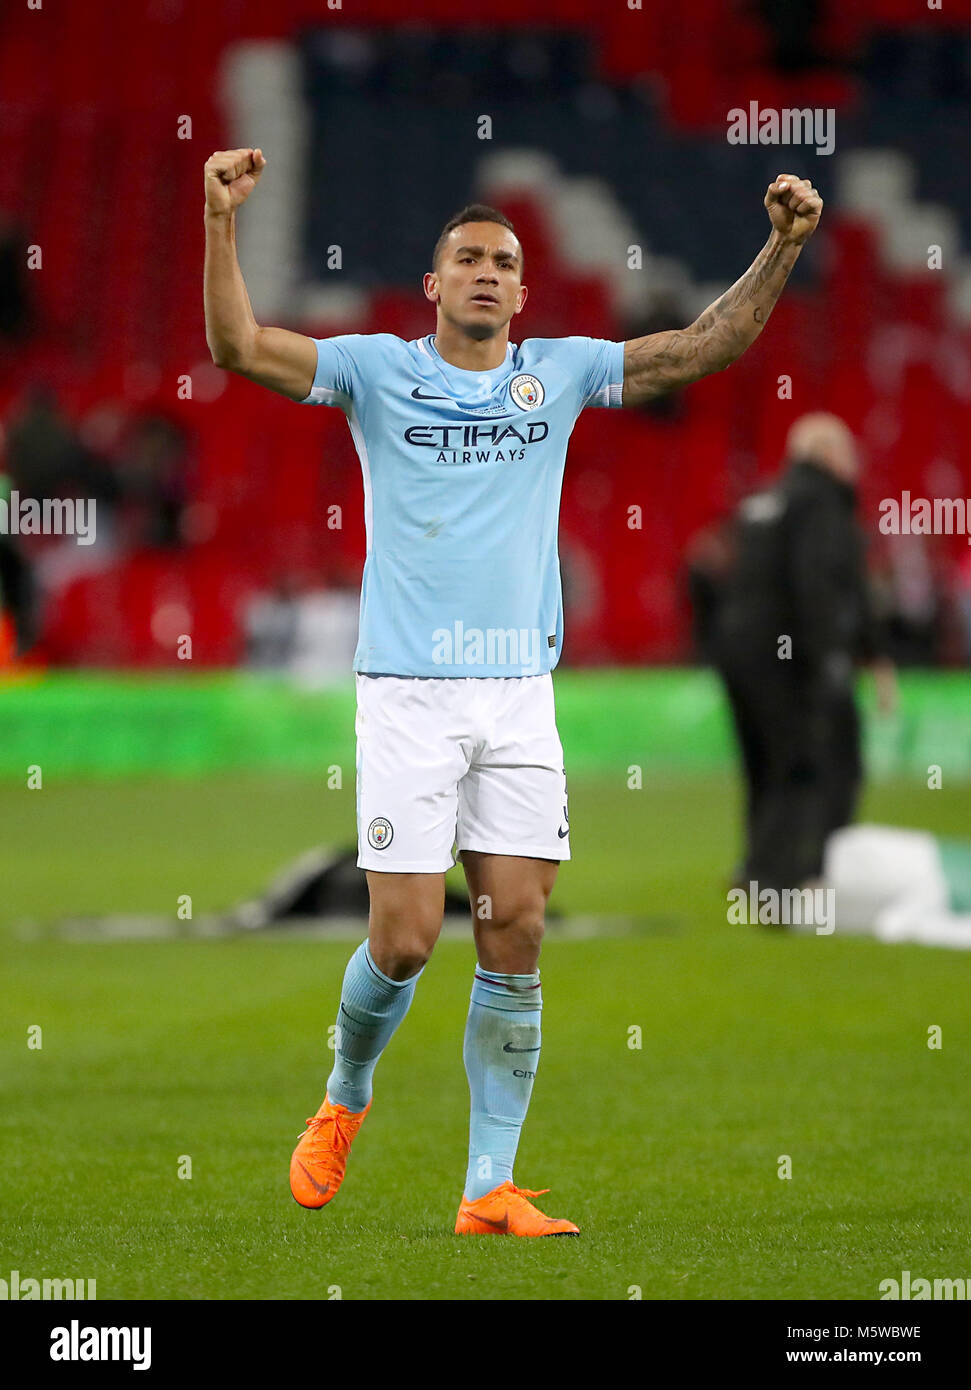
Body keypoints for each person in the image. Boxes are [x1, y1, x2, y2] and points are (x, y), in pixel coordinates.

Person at [203, 146, 822, 1236]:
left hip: (517, 693)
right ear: (433, 285)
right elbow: (238, 345)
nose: (486, 273)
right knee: (401, 938)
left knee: (517, 928)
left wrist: (780, 245)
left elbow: (701, 347)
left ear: (523, 292)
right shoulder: (377, 371)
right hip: (406, 691)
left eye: (503, 261)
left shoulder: (563, 372)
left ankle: (486, 1185)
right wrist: (220, 223)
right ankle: (346, 1093)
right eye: (466, 259)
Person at [710, 413, 894, 895]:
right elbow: (824, 587)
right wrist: (836, 659)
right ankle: (798, 874)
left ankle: (755, 868)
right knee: (811, 763)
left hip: (738, 654)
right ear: (829, 454)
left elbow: (730, 580)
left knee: (762, 764)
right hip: (789, 656)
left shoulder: (763, 503)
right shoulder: (823, 504)